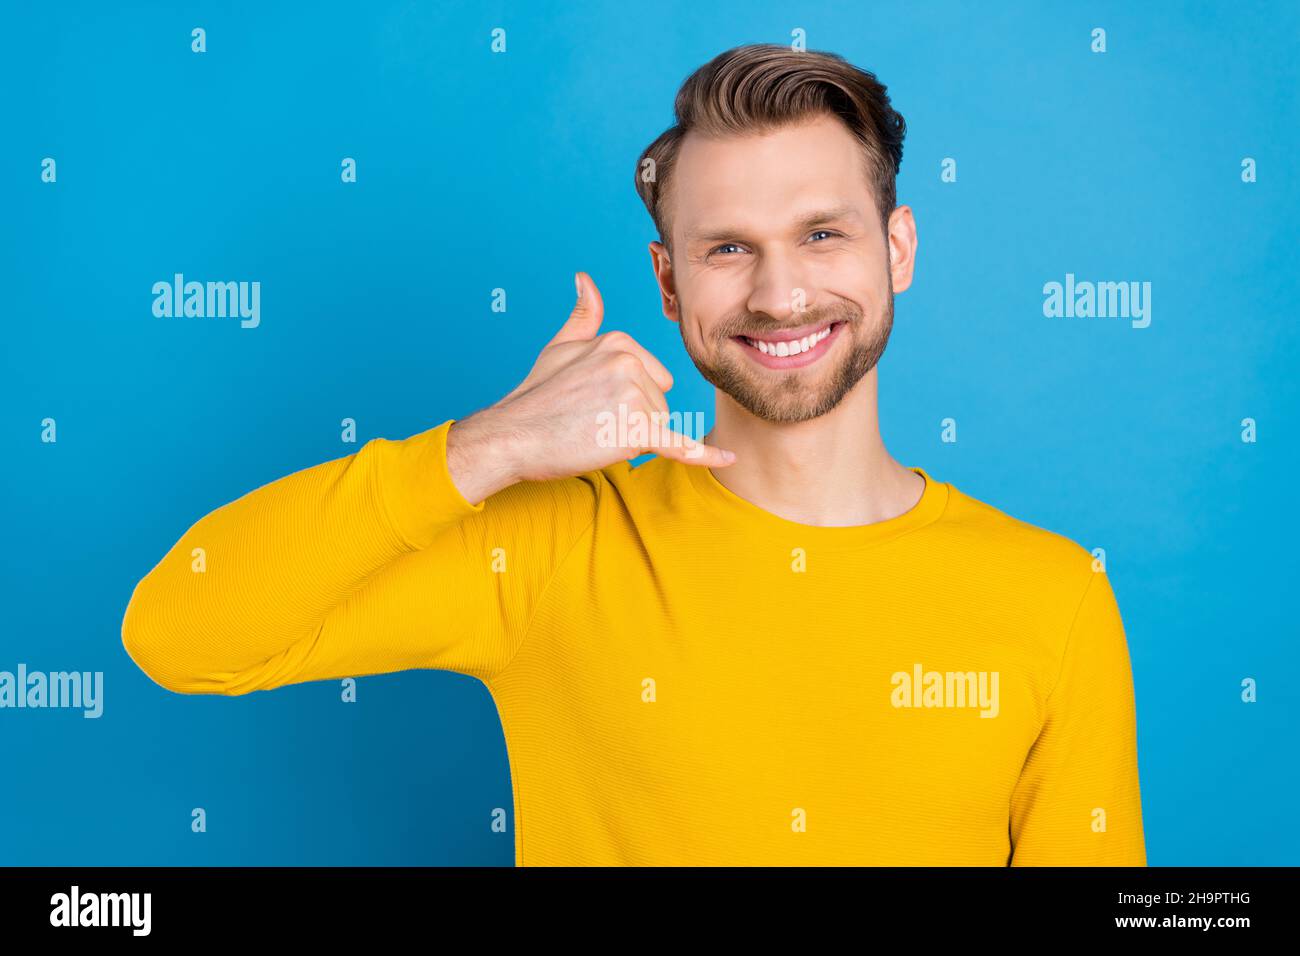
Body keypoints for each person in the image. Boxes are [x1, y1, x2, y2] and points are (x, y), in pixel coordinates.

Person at [121, 43, 1146, 866]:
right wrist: (492, 444)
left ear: (899, 248)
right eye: (727, 247)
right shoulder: (557, 542)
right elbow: (181, 630)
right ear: (667, 283)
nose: (781, 295)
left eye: (823, 233)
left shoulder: (1053, 597)